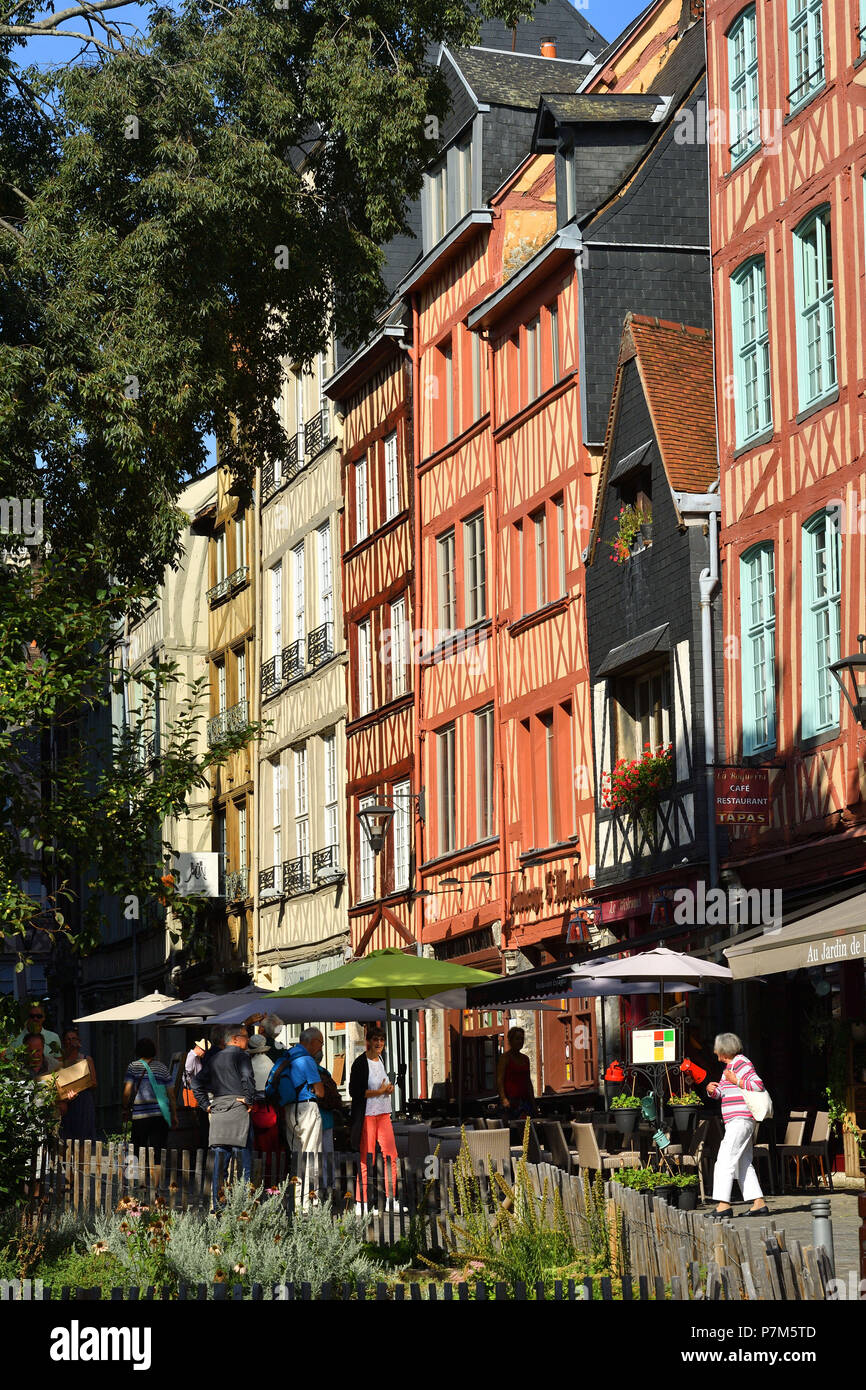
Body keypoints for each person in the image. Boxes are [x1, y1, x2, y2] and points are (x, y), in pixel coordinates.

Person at [190, 1024, 255, 1211]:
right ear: (235, 1039)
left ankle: (219, 1206)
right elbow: (247, 1078)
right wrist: (249, 1100)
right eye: (245, 1036)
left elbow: (196, 1083)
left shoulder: (214, 1058)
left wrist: (205, 1105)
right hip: (238, 1110)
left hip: (218, 1113)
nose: (248, 1040)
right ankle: (243, 1207)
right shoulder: (242, 1056)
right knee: (244, 1163)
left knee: (219, 1164)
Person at [706, 1031, 769, 1219]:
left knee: (724, 1159)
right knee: (743, 1162)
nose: (716, 1053)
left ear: (725, 1051)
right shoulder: (731, 1066)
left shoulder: (741, 1063)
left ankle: (723, 1205)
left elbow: (758, 1084)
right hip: (738, 1120)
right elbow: (724, 1094)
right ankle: (759, 1203)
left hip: (740, 1120)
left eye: (718, 1050)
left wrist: (737, 1081)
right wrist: (712, 1091)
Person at [349, 1026, 399, 1211]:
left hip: (383, 1114)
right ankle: (361, 1202)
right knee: (366, 1157)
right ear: (368, 1042)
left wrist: (389, 1089)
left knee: (391, 1156)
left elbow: (383, 1085)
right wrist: (380, 1091)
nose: (379, 1043)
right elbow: (354, 1092)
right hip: (368, 1116)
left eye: (382, 1040)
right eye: (376, 1039)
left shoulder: (381, 1060)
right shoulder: (360, 1063)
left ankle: (391, 1200)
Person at [283, 1028, 325, 1202]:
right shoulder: (307, 1060)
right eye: (321, 1043)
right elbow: (320, 1092)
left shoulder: (288, 1055)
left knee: (296, 1154)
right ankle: (309, 1200)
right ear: (313, 1041)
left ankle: (296, 1200)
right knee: (311, 1154)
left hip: (289, 1109)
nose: (321, 1047)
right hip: (307, 1109)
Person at [122, 1039, 176, 1158]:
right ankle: (156, 1176)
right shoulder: (162, 1067)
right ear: (154, 1051)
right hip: (160, 1116)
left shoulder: (133, 1066)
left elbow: (127, 1091)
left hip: (140, 1116)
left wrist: (125, 1108)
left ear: (138, 1051)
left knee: (139, 1150)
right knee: (158, 1152)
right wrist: (174, 1115)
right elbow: (171, 1094)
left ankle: (141, 1175)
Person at [58, 1027, 97, 1142]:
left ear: (79, 1041)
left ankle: (80, 1160)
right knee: (66, 1138)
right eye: (68, 1039)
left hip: (83, 1101)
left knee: (83, 1140)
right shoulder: (60, 1061)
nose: (71, 1042)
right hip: (66, 1101)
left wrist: (80, 1084)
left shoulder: (87, 1059)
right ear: (64, 1042)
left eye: (73, 1038)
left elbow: (94, 1083)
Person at [248, 1033, 281, 1158]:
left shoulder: (249, 1065)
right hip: (271, 1107)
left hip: (255, 1109)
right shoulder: (272, 1064)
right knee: (272, 1145)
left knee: (257, 1146)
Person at [497, 1027, 535, 1120]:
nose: (520, 1041)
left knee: (526, 1128)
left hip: (524, 1100)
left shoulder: (525, 1059)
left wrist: (533, 1101)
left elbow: (528, 1081)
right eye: (517, 1038)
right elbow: (499, 1079)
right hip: (510, 1101)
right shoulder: (505, 1058)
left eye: (522, 1039)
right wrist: (504, 1098)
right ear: (510, 1040)